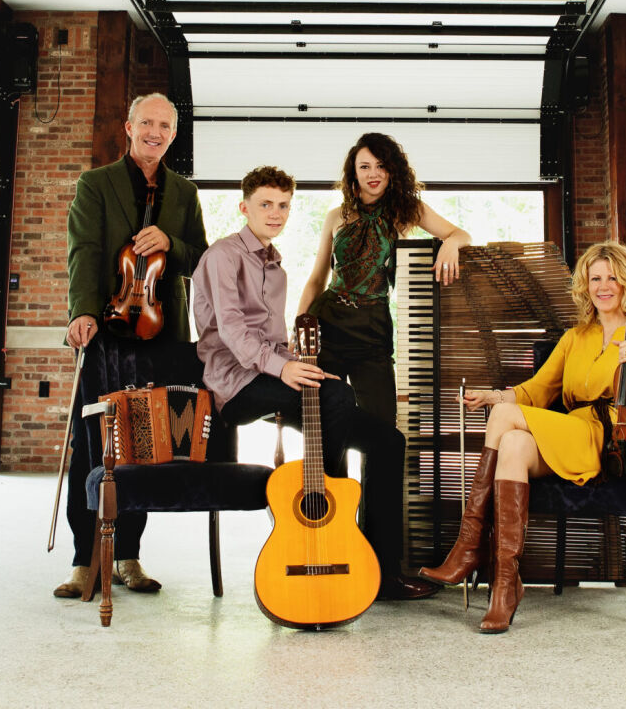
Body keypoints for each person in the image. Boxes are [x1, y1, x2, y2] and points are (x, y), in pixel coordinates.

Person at [419, 240, 626, 632]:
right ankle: (505, 585)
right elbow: (535, 390)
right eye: (595, 278)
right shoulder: (575, 337)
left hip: (611, 440)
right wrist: (493, 396)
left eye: (612, 278)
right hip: (572, 432)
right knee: (513, 442)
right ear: (586, 285)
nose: (603, 286)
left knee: (506, 422)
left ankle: (468, 545)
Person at [193, 165, 439, 602]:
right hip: (234, 386)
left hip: (272, 373)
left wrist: (297, 363)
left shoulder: (277, 268)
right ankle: (321, 520)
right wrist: (283, 367)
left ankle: (383, 574)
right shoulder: (223, 256)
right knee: (339, 395)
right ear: (243, 207)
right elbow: (231, 331)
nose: (275, 213)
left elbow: (276, 338)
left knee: (389, 441)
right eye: (265, 204)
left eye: (284, 205)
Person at [55, 92, 209, 600]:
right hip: (106, 330)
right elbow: (84, 249)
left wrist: (172, 243)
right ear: (128, 125)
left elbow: (201, 260)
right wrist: (80, 310)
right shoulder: (95, 184)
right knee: (94, 445)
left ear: (173, 133)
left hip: (162, 334)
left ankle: (127, 556)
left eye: (165, 125)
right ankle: (84, 562)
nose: (155, 132)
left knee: (146, 446)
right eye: (147, 122)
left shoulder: (184, 193)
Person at [295, 132, 470, 427]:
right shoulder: (336, 216)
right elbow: (316, 279)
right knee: (325, 422)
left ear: (392, 170)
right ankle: (330, 476)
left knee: (383, 425)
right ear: (354, 172)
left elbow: (460, 234)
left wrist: (450, 245)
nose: (373, 174)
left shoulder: (407, 210)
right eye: (364, 167)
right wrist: (299, 331)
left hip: (373, 327)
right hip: (327, 324)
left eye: (380, 165)